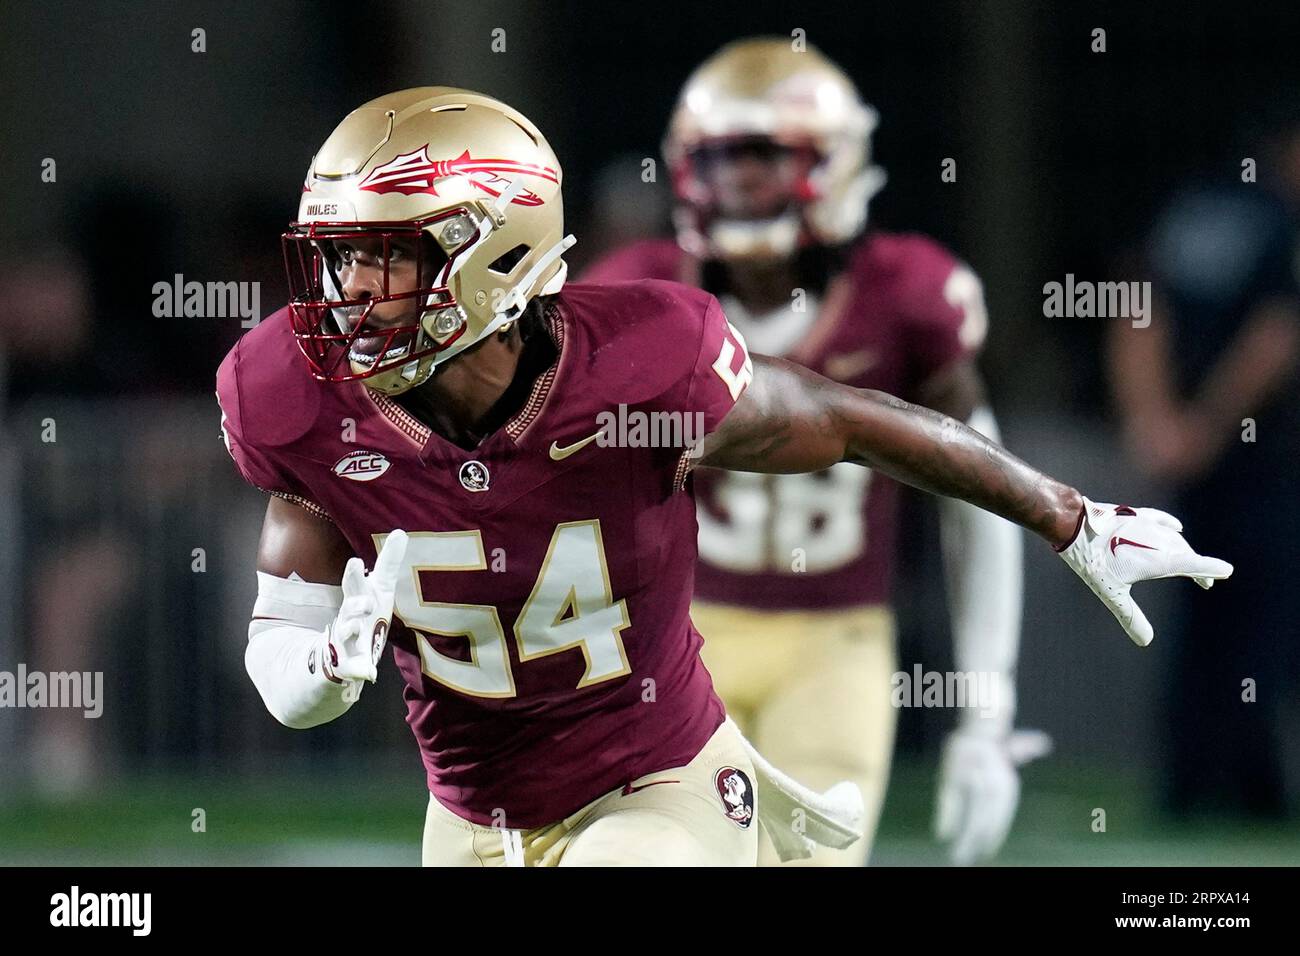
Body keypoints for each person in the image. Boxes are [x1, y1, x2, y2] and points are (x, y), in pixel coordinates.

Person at [217, 86, 1231, 867]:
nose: (350, 292)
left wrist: (1069, 517)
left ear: (494, 251)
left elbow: (852, 422)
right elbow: (285, 652)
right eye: (338, 258)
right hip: (470, 815)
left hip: (652, 785)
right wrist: (321, 673)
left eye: (384, 257)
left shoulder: (642, 365)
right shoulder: (294, 395)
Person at [582, 37, 1038, 865]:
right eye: (716, 159)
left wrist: (986, 710)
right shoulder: (639, 298)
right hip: (673, 640)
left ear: (833, 161)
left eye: (761, 157)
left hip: (837, 645)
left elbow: (982, 501)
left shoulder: (906, 297)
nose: (737, 182)